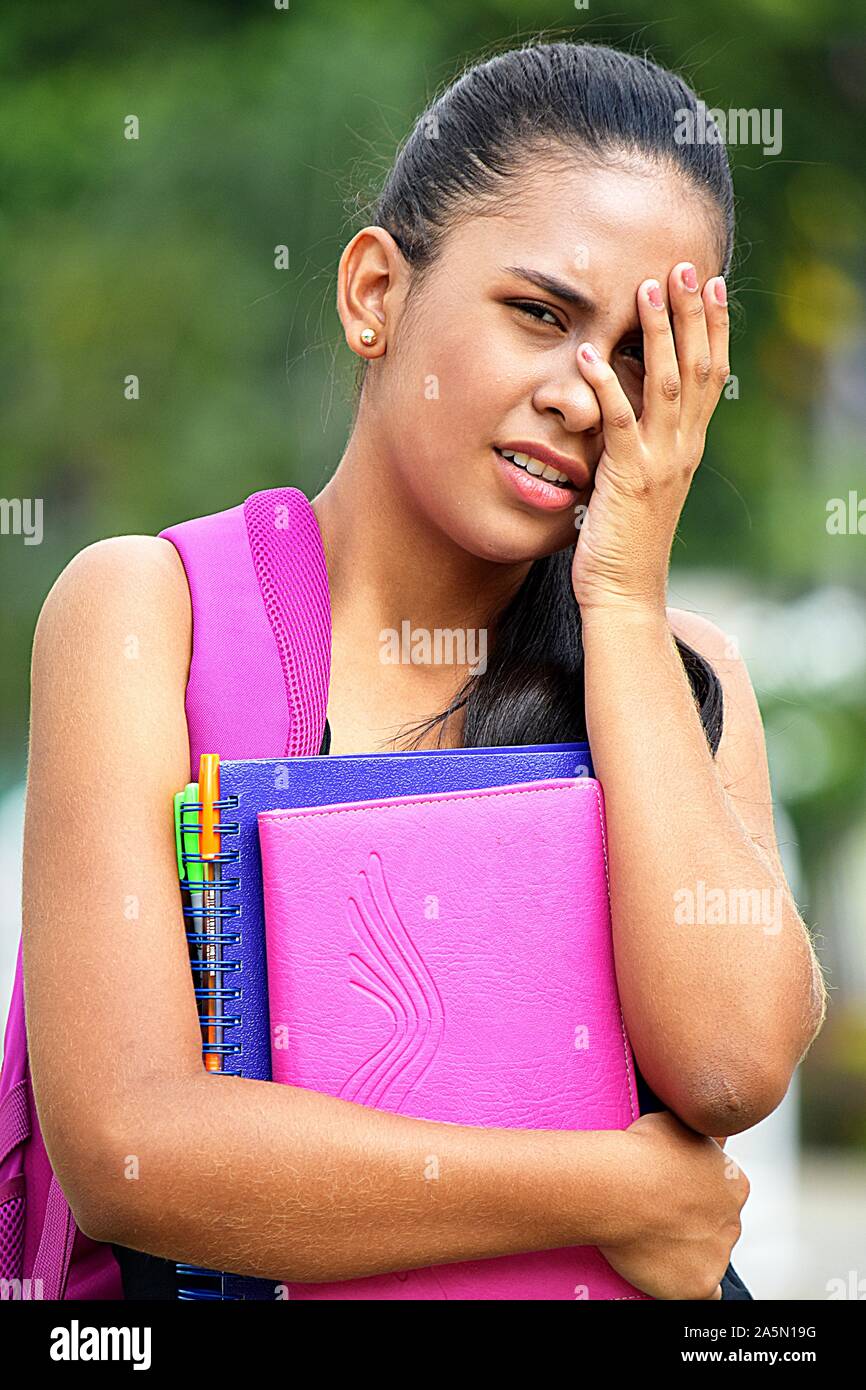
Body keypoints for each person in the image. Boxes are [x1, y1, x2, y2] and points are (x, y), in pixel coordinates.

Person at [21, 39, 825, 1301]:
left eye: (636, 355)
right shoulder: (149, 617)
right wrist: (614, 1191)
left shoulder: (676, 669)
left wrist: (618, 598)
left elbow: (729, 1068)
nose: (581, 394)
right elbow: (130, 1146)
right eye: (540, 315)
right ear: (374, 294)